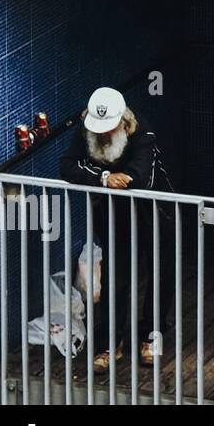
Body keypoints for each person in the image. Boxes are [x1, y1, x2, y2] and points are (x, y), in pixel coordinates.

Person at [59, 86, 177, 371]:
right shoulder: (86, 134)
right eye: (99, 129)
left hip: (154, 213)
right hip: (114, 215)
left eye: (109, 129)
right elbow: (67, 165)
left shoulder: (143, 134)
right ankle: (110, 344)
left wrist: (112, 179)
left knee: (160, 272)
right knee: (116, 277)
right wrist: (104, 178)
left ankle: (152, 335)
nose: (103, 135)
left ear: (124, 123)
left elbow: (139, 178)